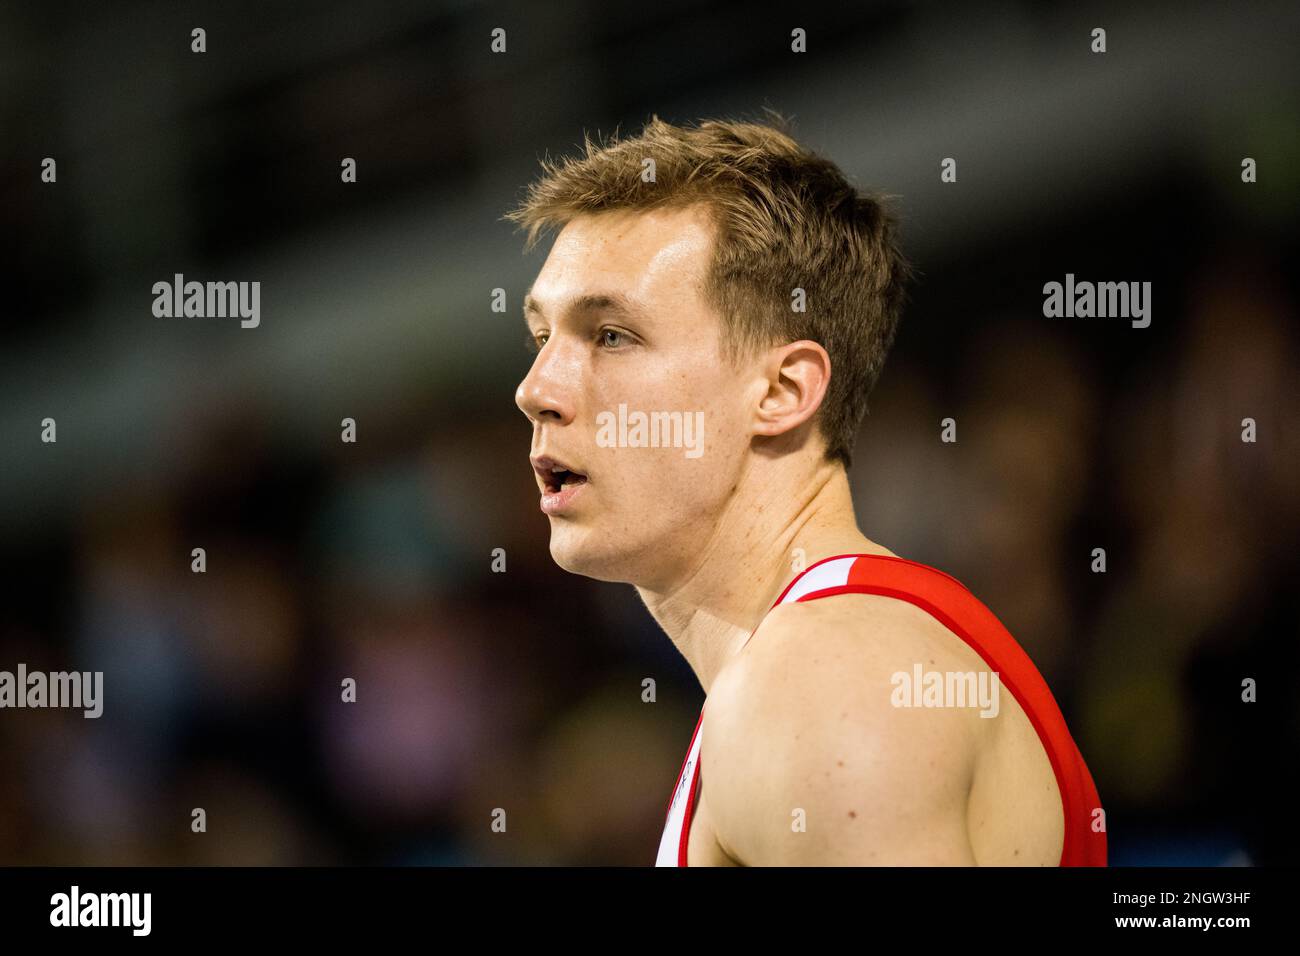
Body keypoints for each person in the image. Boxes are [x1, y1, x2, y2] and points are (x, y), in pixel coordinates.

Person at [507, 114, 1106, 866]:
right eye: (542, 338)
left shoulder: (820, 678)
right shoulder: (826, 658)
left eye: (611, 335)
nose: (536, 390)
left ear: (783, 391)